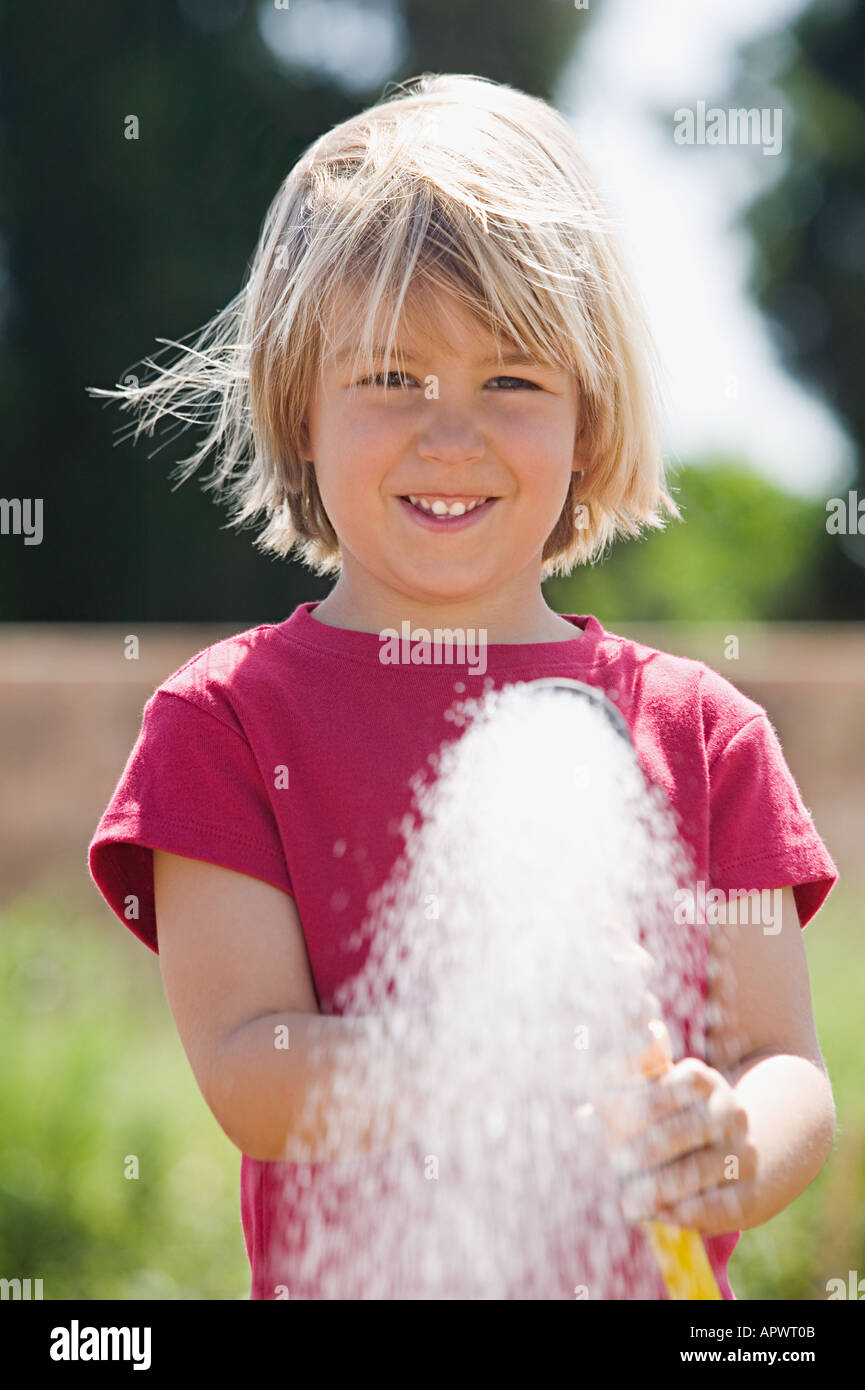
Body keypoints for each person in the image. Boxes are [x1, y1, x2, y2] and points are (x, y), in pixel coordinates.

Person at [88, 72, 838, 1300]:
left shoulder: (703, 732)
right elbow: (249, 1070)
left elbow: (786, 1066)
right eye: (390, 378)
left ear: (590, 418)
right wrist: (503, 1054)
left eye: (512, 381)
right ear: (300, 406)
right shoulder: (223, 720)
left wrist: (737, 1148)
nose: (451, 433)